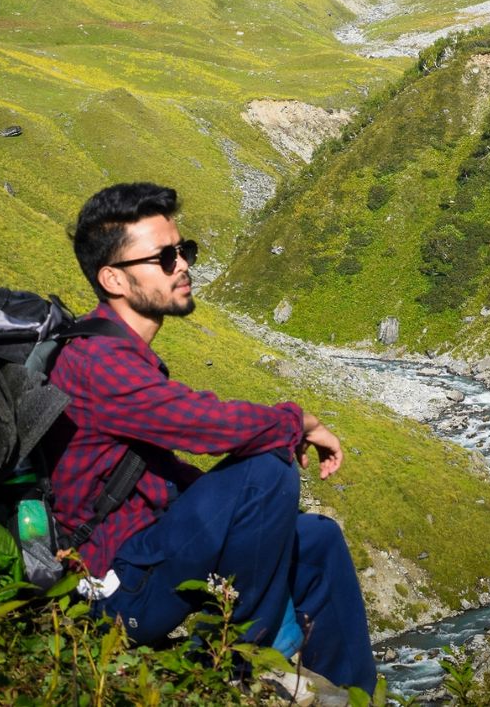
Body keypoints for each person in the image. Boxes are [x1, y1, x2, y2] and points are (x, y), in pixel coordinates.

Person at [45, 181, 377, 696]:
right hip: (112, 587)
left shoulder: (114, 349)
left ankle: (353, 693)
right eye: (164, 257)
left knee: (318, 541)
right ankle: (242, 663)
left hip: (143, 552)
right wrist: (301, 422)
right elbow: (204, 426)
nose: (183, 265)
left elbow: (160, 472)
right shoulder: (100, 363)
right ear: (112, 278)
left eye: (185, 250)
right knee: (266, 469)